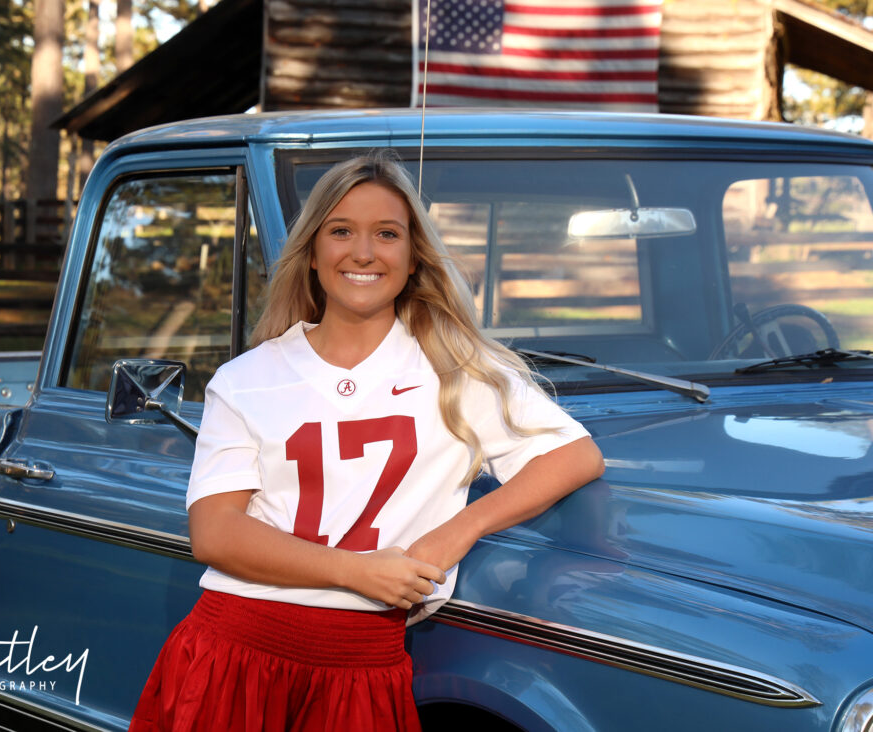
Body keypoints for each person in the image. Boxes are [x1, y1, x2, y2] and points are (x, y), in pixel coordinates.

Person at [128, 151, 604, 732]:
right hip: (236, 648)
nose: (362, 252)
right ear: (311, 254)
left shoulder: (456, 366)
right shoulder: (246, 378)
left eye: (386, 233)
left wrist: (454, 533)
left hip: (362, 661)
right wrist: (356, 571)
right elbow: (215, 532)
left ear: (412, 257)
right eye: (341, 231)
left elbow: (574, 455)